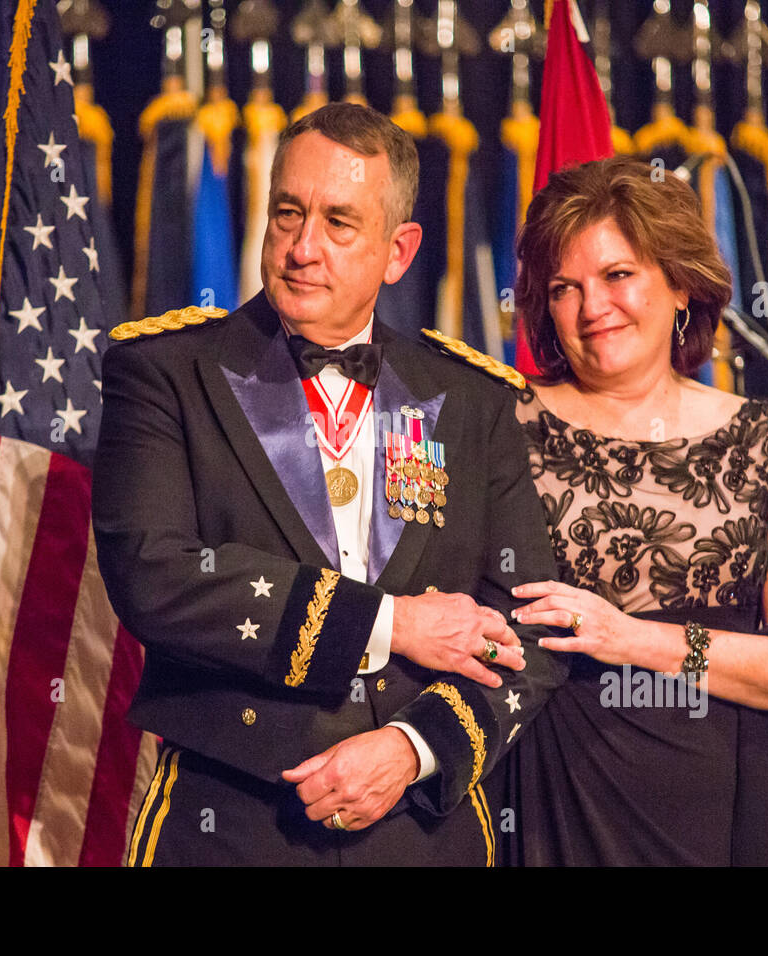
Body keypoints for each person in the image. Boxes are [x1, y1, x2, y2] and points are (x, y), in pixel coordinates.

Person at [92, 103, 566, 866]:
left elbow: (533, 624)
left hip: (424, 826)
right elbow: (156, 574)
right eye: (288, 213)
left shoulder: (472, 400)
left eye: (339, 223)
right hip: (230, 819)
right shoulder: (163, 372)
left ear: (398, 251)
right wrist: (393, 624)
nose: (302, 248)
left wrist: (413, 749)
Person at [501, 155, 768, 865]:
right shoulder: (495, 426)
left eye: (617, 275)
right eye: (564, 288)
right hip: (538, 810)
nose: (591, 307)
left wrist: (628, 638)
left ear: (682, 284)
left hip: (723, 819)